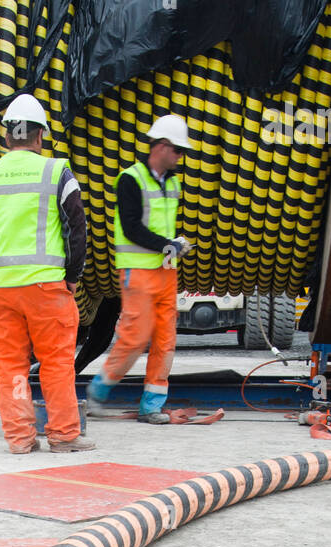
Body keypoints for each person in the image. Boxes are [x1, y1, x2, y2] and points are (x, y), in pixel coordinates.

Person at [0, 94, 94, 454]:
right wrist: (73, 274)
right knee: (55, 365)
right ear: (40, 137)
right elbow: (76, 228)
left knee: (11, 368)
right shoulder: (56, 172)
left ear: (7, 137)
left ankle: (21, 438)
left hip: (3, 291)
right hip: (47, 287)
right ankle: (65, 436)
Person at [87, 114, 194, 424]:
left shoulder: (172, 182)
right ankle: (100, 389)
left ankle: (152, 405)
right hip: (137, 272)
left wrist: (172, 245)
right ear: (161, 147)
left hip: (165, 272)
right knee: (135, 337)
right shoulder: (130, 179)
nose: (180, 157)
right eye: (178, 150)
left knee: (165, 340)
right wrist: (167, 244)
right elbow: (131, 228)